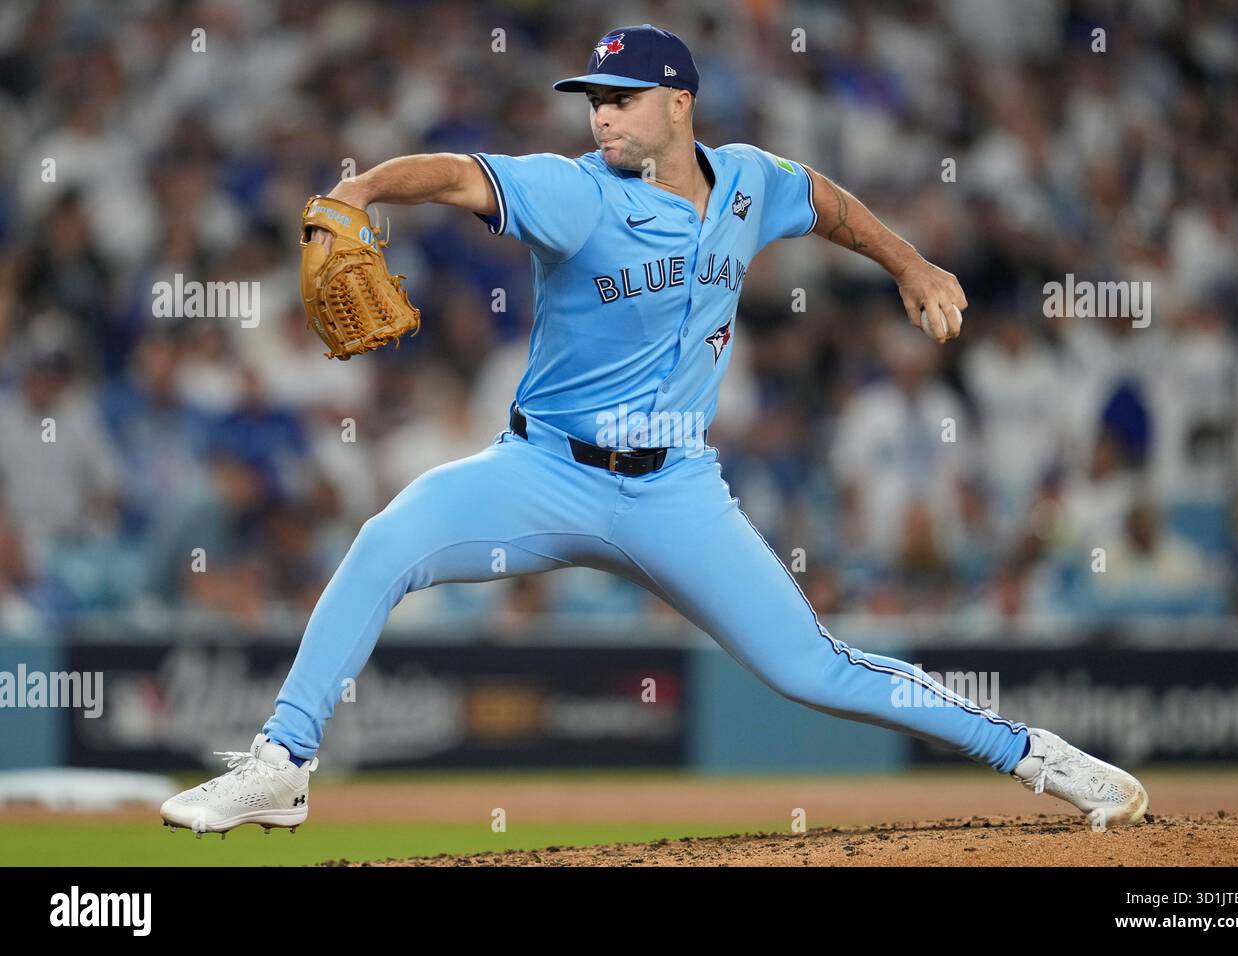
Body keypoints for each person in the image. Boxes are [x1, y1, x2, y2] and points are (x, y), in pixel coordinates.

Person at [160, 24, 1147, 839]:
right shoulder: (578, 190)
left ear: (679, 104)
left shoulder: (751, 181)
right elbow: (460, 174)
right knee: (384, 541)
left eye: (623, 96)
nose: (601, 113)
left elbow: (830, 205)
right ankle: (282, 761)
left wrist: (912, 265)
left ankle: (1038, 755)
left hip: (675, 486)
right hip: (544, 471)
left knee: (813, 668)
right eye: (594, 96)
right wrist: (365, 190)